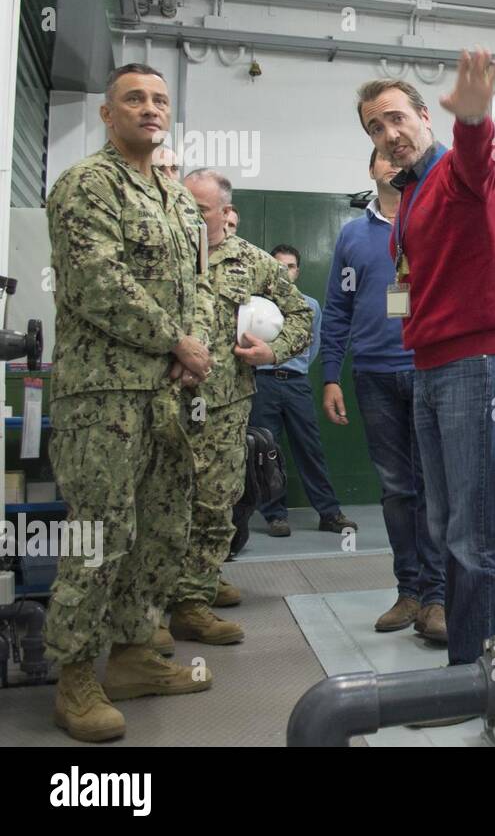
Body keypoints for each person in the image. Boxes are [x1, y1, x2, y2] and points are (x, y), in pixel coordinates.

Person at [44, 63, 215, 742]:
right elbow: (96, 281)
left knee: (160, 528)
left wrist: (193, 342)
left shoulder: (177, 199)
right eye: (135, 98)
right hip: (103, 397)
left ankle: (133, 654)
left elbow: (201, 285)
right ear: (108, 114)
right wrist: (176, 339)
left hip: (165, 394)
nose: (150, 108)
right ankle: (74, 676)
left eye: (160, 100)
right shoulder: (86, 184)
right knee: (100, 535)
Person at [356, 49, 495, 666]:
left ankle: (482, 672)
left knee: (475, 532)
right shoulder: (412, 194)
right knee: (446, 524)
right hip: (429, 366)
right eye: (375, 127)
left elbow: (476, 161)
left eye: (397, 118)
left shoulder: (455, 170)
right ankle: (466, 658)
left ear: (425, 117)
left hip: (472, 367)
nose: (389, 134)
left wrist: (474, 118)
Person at [161, 170, 313, 649]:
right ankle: (154, 604)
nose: (189, 219)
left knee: (216, 503)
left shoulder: (252, 262)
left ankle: (193, 601)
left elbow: (302, 315)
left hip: (225, 407)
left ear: (226, 212)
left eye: (201, 211)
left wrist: (273, 352)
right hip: (163, 404)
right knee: (161, 504)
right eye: (183, 208)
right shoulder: (163, 253)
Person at [320, 147, 447, 640]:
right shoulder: (352, 235)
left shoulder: (432, 222)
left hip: (430, 369)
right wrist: (331, 375)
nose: (393, 163)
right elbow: (337, 308)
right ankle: (408, 591)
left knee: (433, 487)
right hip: (373, 374)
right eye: (382, 157)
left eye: (400, 155)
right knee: (396, 489)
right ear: (371, 169)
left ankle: (437, 597)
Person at [253, 245, 357, 536]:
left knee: (310, 449)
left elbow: (314, 347)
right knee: (267, 451)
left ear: (297, 272)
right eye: (279, 266)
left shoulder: (310, 306)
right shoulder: (256, 306)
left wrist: (294, 367)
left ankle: (329, 513)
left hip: (297, 384)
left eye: (290, 266)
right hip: (263, 382)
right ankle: (275, 516)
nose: (284, 271)